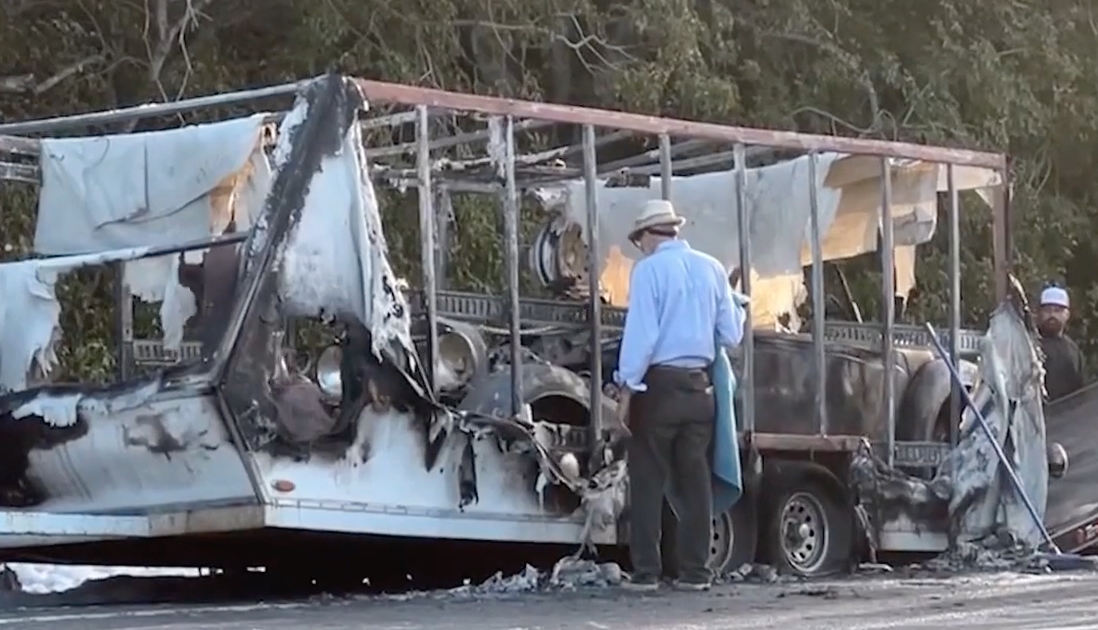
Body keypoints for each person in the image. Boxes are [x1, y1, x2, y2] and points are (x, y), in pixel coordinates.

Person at [614, 199, 745, 592]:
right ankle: (695, 572)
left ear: (648, 236)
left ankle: (647, 572)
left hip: (660, 387)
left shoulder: (649, 271)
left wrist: (626, 387)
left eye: (639, 241)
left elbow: (642, 336)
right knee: (695, 480)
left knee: (649, 478)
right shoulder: (712, 268)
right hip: (701, 389)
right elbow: (732, 335)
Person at [1037, 285, 1086, 401]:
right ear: (1040, 313)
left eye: (1057, 310)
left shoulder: (1073, 350)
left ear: (1067, 314)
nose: (1052, 315)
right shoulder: (1029, 345)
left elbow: (1082, 392)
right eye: (1047, 310)